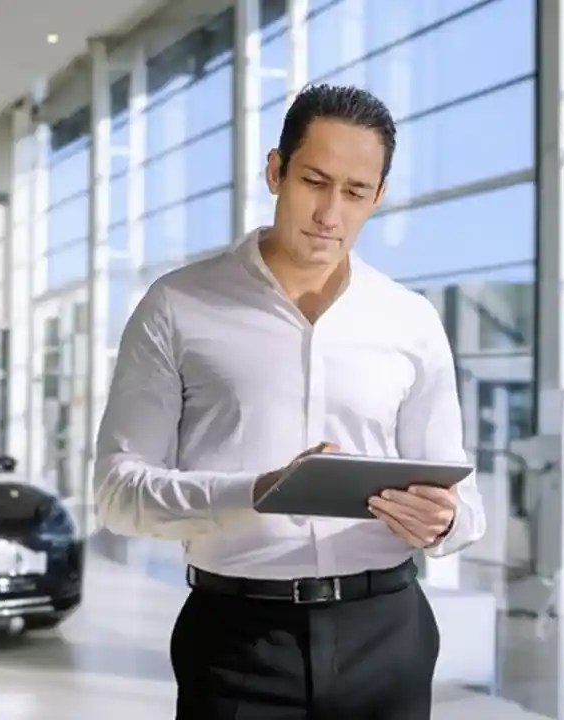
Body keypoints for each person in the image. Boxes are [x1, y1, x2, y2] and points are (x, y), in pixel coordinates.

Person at [93, 83, 486, 719]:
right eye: (314, 181)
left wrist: (443, 522)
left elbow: (462, 500)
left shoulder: (410, 319)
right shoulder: (177, 306)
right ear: (276, 171)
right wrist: (259, 492)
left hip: (387, 634)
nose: (331, 212)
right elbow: (118, 492)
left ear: (378, 197)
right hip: (237, 641)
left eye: (355, 192)